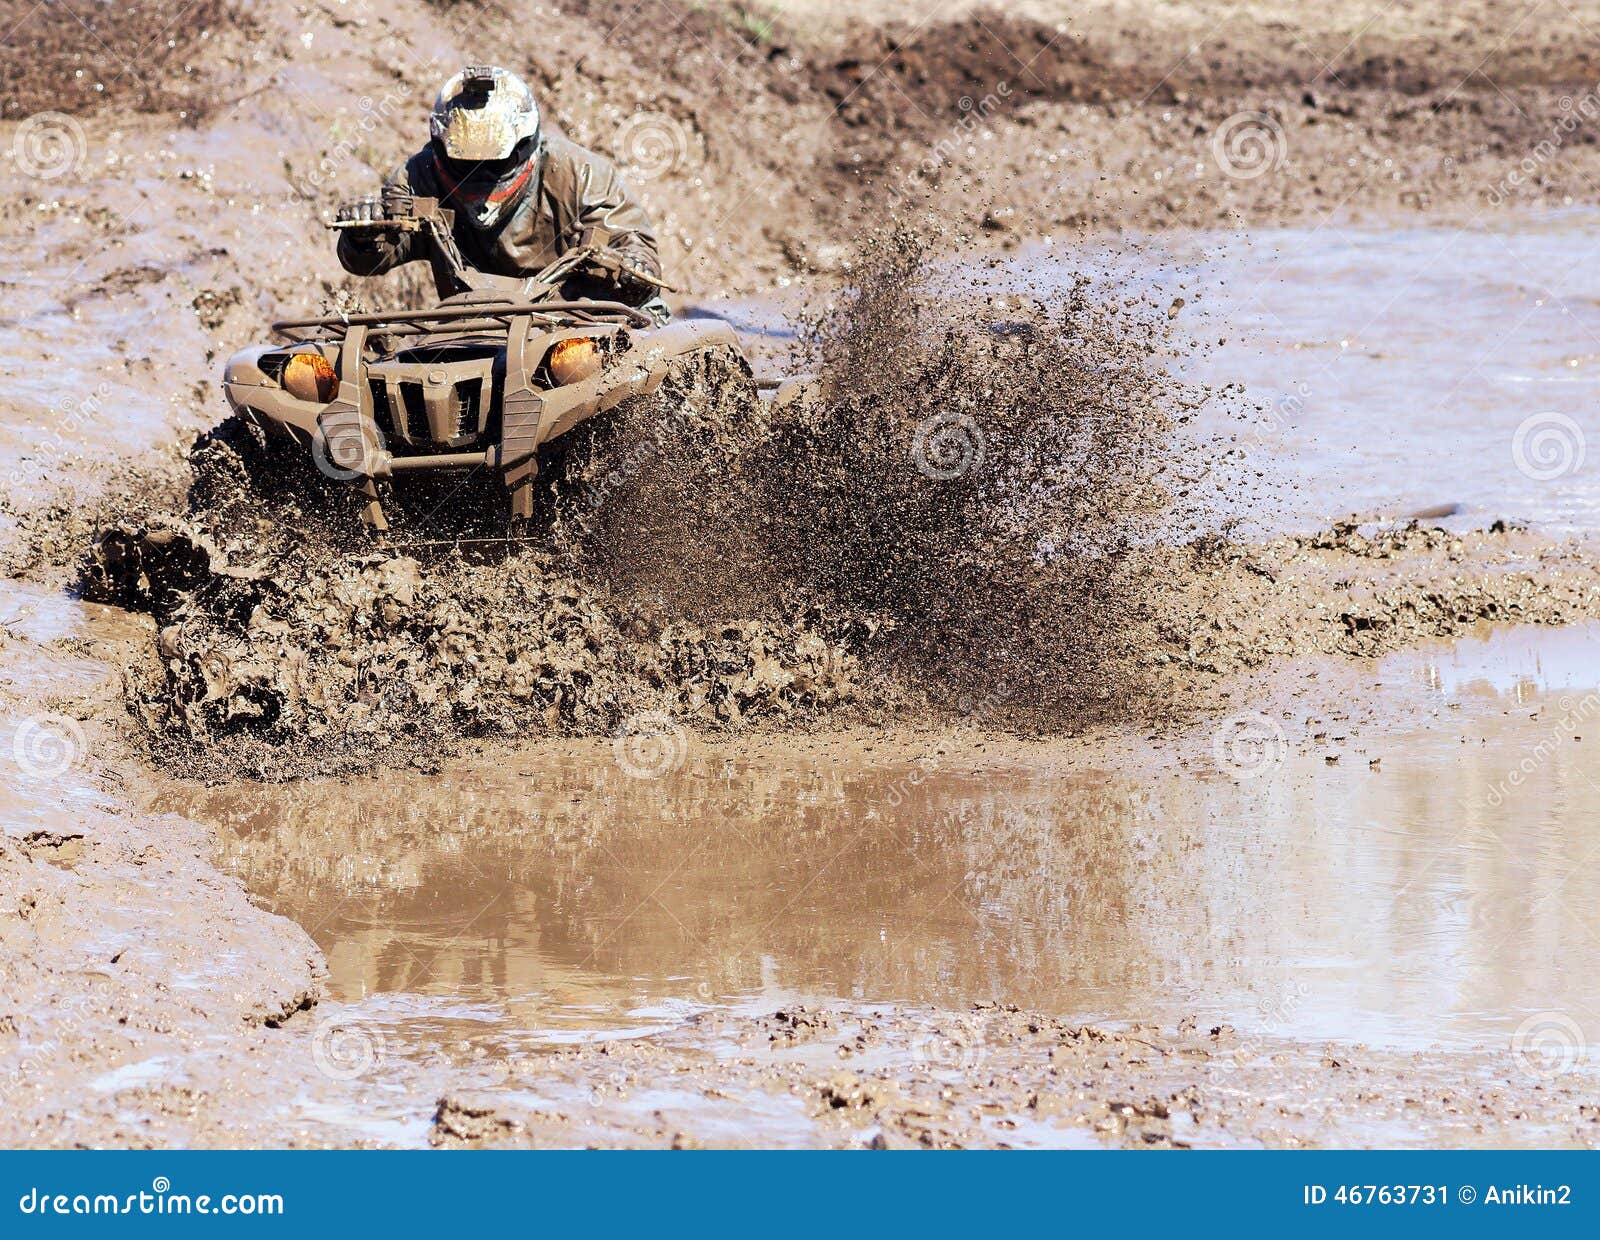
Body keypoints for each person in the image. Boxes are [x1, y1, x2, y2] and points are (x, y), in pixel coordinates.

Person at [334, 66, 668, 321]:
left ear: (526, 145)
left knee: (643, 362)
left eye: (495, 163)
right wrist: (364, 237)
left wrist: (627, 268)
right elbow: (373, 260)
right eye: (465, 163)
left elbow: (639, 252)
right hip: (474, 330)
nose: (481, 176)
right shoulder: (418, 177)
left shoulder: (580, 173)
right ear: (441, 147)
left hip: (583, 324)